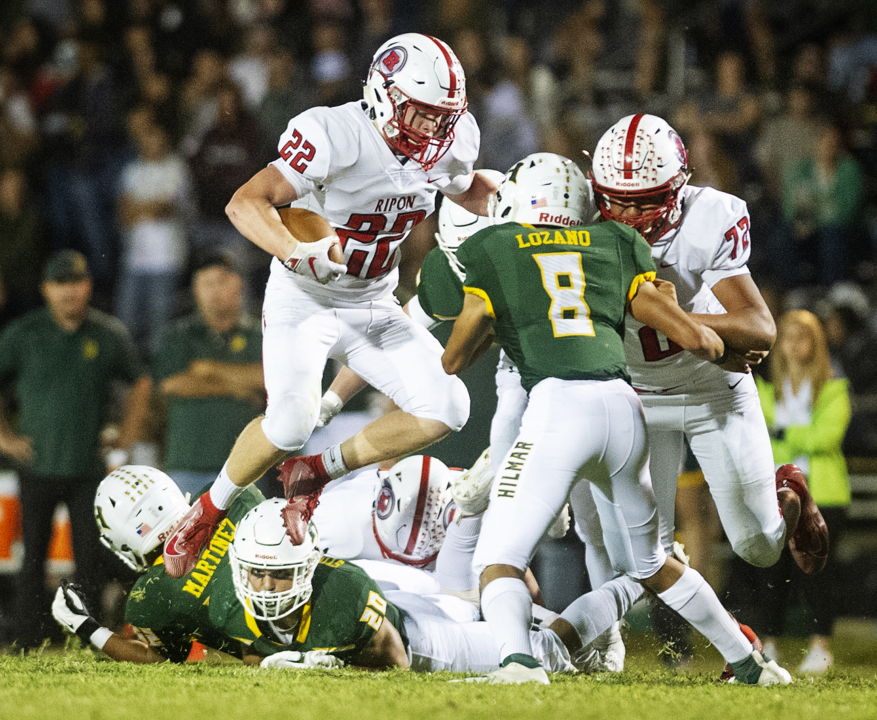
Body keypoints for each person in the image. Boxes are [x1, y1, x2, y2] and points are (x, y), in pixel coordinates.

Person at [441, 152, 791, 686]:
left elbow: (454, 360)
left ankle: (519, 665)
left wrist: (497, 321)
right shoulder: (616, 243)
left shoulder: (493, 247)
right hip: (626, 410)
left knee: (498, 555)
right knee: (652, 563)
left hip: (559, 409)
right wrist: (721, 352)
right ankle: (751, 664)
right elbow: (697, 338)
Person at [163, 32, 499, 577]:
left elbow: (465, 189)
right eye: (423, 115)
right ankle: (208, 509)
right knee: (290, 422)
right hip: (306, 298)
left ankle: (315, 472)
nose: (435, 131)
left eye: (444, 118)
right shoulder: (334, 134)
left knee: (448, 406)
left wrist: (516, 203)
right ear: (384, 97)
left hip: (375, 302)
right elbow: (244, 203)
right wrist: (294, 251)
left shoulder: (448, 142)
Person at [56, 469, 612, 674]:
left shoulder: (153, 596)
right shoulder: (229, 498)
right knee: (468, 601)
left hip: (336, 598)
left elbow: (159, 660)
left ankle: (617, 600)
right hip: (361, 576)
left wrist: (88, 628)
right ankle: (484, 523)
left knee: (530, 644)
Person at [588, 114, 829, 580]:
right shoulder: (577, 216)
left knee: (759, 546)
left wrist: (673, 320)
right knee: (639, 561)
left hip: (710, 387)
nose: (629, 216)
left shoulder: (707, 216)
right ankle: (720, 626)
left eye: (645, 202)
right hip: (633, 397)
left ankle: (790, 487)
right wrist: (670, 320)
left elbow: (759, 328)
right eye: (616, 201)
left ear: (678, 187)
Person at [0, 250, 152, 649]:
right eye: (60, 284)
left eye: (76, 283)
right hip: (37, 463)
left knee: (90, 560)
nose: (69, 292)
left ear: (88, 286)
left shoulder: (107, 333)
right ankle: (26, 639)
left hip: (88, 467)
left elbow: (140, 381)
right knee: (32, 557)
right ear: (46, 289)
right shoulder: (24, 332)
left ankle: (91, 641)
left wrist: (127, 435)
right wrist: (5, 437)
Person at [745, 310, 851, 673]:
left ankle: (821, 647)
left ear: (816, 343)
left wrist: (781, 433)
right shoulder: (763, 387)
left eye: (802, 337)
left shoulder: (834, 387)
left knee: (817, 574)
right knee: (771, 573)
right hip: (773, 493)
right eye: (787, 337)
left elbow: (827, 438)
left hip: (823, 495)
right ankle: (769, 645)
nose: (793, 344)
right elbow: (756, 434)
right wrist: (795, 435)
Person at [152, 251, 264, 499]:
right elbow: (172, 384)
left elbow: (267, 378)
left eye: (221, 281)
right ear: (195, 290)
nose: (214, 291)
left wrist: (209, 370)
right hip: (187, 465)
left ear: (239, 284)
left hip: (247, 469)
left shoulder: (261, 333)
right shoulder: (179, 335)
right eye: (206, 284)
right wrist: (237, 387)